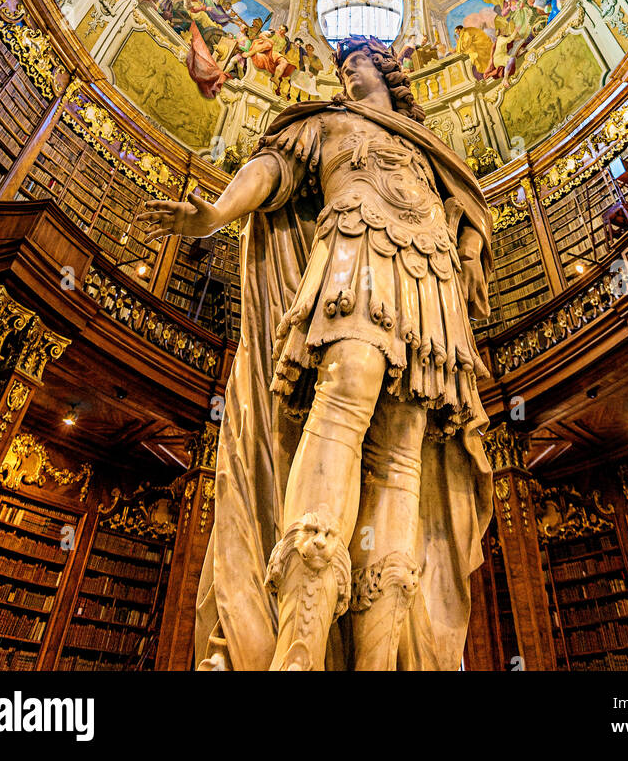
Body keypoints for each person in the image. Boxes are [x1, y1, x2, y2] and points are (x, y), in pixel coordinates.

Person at [142, 35, 493, 671]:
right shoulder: (323, 123)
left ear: (383, 68)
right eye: (341, 67)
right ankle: (297, 655)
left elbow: (470, 208)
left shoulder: (427, 145)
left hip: (429, 280)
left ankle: (378, 660)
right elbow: (274, 171)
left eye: (356, 63)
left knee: (403, 453)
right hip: (354, 259)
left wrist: (468, 256)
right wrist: (216, 212)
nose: (347, 74)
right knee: (345, 394)